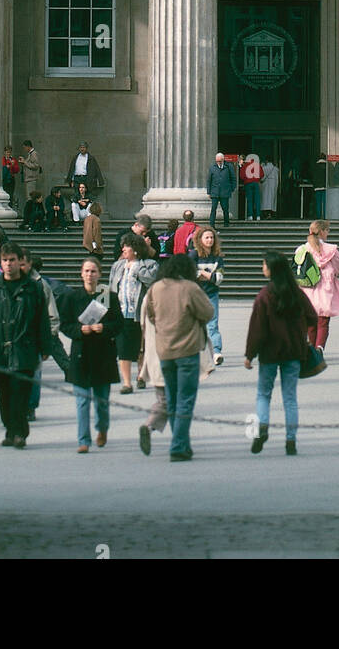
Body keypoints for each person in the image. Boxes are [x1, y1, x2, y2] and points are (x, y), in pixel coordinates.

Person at [0, 242, 51, 449]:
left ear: (19, 262)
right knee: (4, 395)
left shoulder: (32, 288)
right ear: (0, 262)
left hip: (25, 349)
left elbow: (42, 319)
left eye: (12, 260)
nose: (8, 264)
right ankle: (10, 429)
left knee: (20, 395)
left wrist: (44, 346)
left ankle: (19, 434)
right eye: (5, 260)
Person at [244, 250, 318, 456]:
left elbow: (257, 328)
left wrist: (250, 354)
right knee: (290, 398)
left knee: (263, 394)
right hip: (294, 350)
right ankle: (290, 440)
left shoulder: (265, 295)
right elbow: (313, 317)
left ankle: (263, 427)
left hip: (269, 351)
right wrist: (301, 330)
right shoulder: (296, 293)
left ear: (271, 269)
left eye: (264, 265)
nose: (263, 268)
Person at [144, 253, 214, 462]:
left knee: (173, 399)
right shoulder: (189, 288)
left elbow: (151, 315)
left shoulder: (156, 288)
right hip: (188, 350)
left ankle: (182, 443)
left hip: (164, 350)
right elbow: (208, 312)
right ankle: (178, 445)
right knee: (186, 399)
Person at [60, 258, 123, 452]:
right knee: (82, 401)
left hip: (103, 354)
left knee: (102, 402)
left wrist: (104, 327)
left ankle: (102, 428)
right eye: (86, 271)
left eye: (93, 271)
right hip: (81, 354)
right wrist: (80, 330)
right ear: (81, 274)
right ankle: (83, 440)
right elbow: (65, 325)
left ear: (99, 274)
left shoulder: (107, 296)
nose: (89, 275)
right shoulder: (72, 297)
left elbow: (119, 324)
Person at [108, 233, 158, 393]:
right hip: (121, 314)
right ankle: (127, 383)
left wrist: (137, 267)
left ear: (135, 249)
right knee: (123, 348)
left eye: (126, 246)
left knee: (141, 347)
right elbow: (110, 288)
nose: (123, 249)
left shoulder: (150, 264)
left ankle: (141, 376)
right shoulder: (117, 266)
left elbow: (151, 280)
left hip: (140, 313)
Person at [21, 247, 64, 421]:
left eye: (23, 263)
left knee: (34, 375)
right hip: (13, 338)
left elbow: (51, 313)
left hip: (34, 338)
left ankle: (30, 407)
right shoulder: (3, 283)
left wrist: (50, 335)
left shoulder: (40, 285)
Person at [297, 219, 339, 351]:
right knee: (323, 322)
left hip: (308, 288)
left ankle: (311, 348)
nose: (328, 232)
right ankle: (319, 347)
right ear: (322, 231)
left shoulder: (302, 249)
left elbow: (297, 267)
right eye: (327, 230)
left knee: (310, 323)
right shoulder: (331, 250)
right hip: (326, 289)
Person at [23, 251, 71, 382]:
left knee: (54, 346)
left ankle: (68, 368)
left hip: (41, 326)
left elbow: (51, 309)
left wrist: (53, 328)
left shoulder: (40, 284)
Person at [188, 226, 225, 364]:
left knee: (213, 324)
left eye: (211, 237)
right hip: (196, 294)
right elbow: (189, 272)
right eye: (207, 237)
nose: (209, 240)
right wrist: (207, 275)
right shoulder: (194, 255)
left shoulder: (218, 257)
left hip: (211, 293)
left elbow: (219, 278)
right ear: (200, 240)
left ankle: (216, 351)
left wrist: (203, 274)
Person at [206, 152, 236, 230]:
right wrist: (208, 192)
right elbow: (209, 180)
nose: (218, 163)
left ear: (223, 160)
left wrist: (232, 189)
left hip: (225, 192)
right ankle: (212, 224)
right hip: (215, 192)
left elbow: (233, 178)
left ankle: (226, 223)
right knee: (213, 209)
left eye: (220, 161)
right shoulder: (212, 167)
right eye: (217, 161)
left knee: (225, 209)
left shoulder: (228, 167)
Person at [240, 154, 264, 221]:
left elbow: (241, 176)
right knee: (257, 200)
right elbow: (262, 174)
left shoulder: (245, 165)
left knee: (249, 200)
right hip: (256, 183)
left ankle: (250, 215)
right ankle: (258, 215)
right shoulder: (257, 165)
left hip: (248, 183)